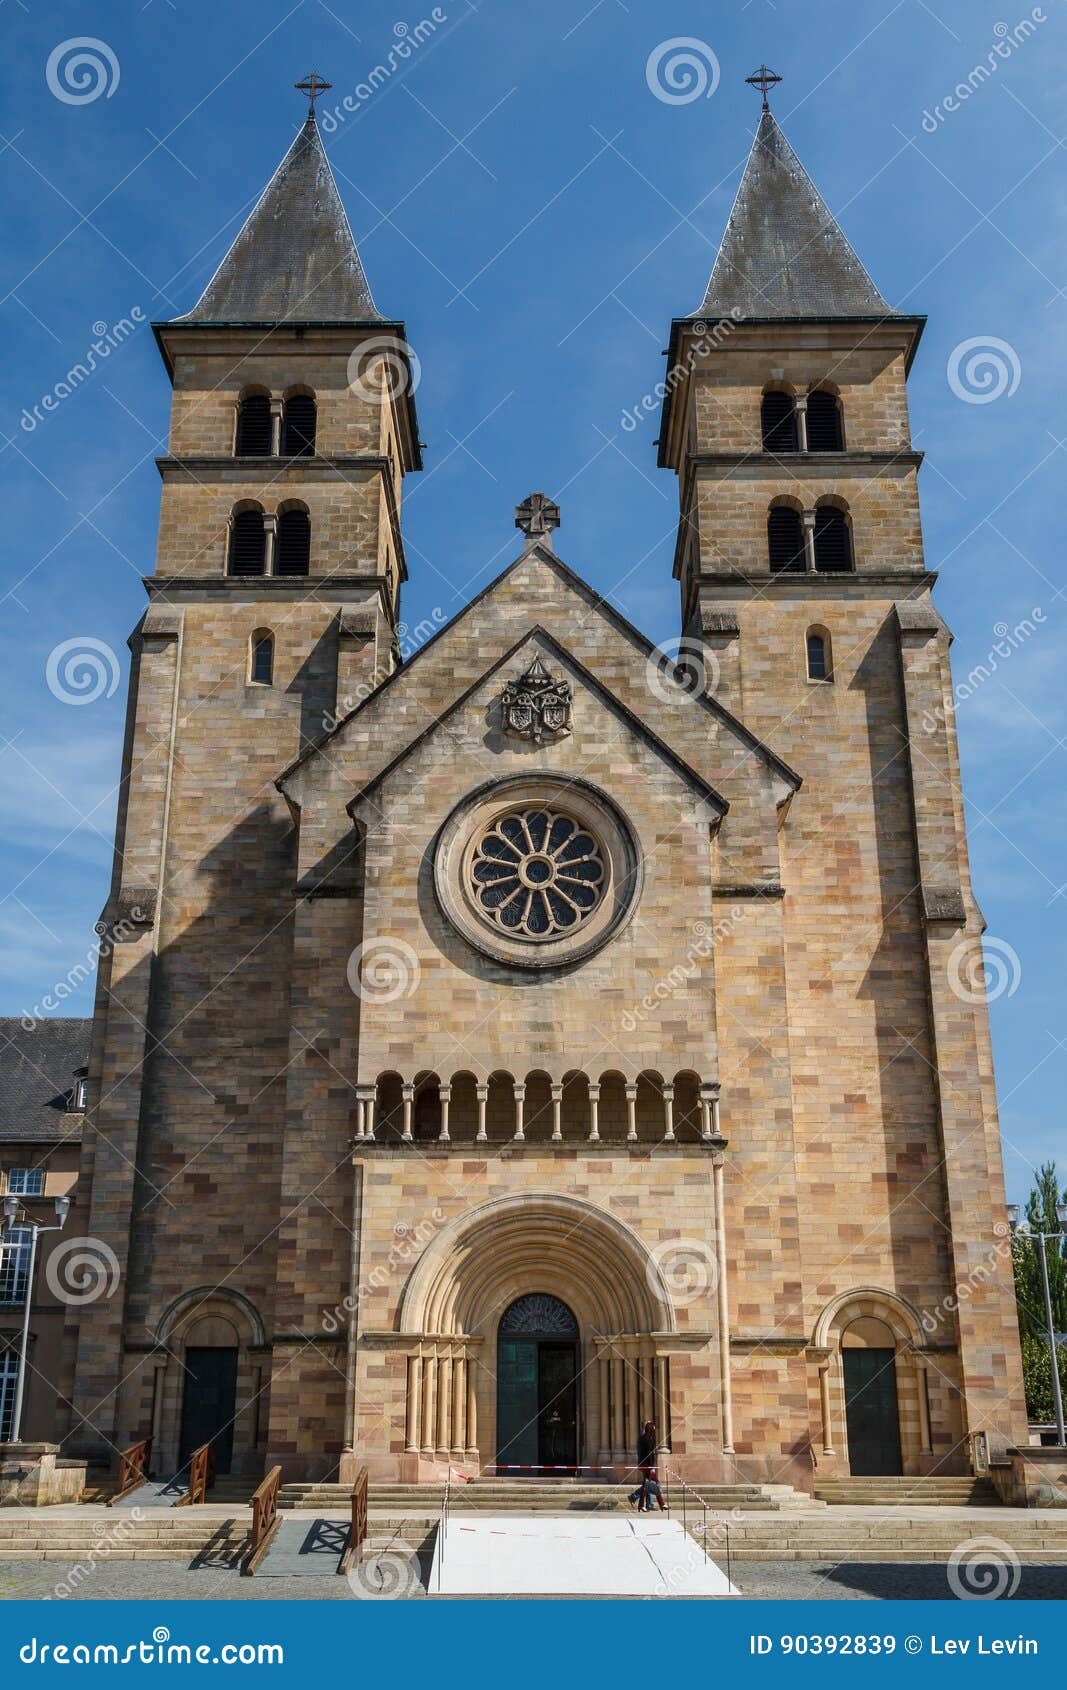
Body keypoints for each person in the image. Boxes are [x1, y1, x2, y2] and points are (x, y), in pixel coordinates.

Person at [628, 1420, 664, 1511]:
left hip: (645, 1464)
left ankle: (645, 1503)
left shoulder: (647, 1436)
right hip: (646, 1464)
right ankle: (657, 1504)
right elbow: (646, 1453)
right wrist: (651, 1466)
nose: (654, 1427)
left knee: (648, 1483)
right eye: (652, 1425)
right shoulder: (644, 1437)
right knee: (652, 1483)